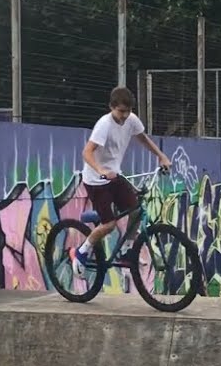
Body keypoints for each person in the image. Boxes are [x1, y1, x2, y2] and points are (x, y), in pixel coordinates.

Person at [72, 86, 172, 270]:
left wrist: (161, 156)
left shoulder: (131, 120)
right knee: (109, 225)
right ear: (111, 107)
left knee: (135, 210)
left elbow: (143, 138)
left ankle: (126, 249)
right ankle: (81, 252)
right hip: (96, 180)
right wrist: (101, 170)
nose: (125, 115)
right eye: (121, 111)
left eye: (128, 111)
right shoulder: (104, 125)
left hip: (115, 176)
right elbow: (86, 152)